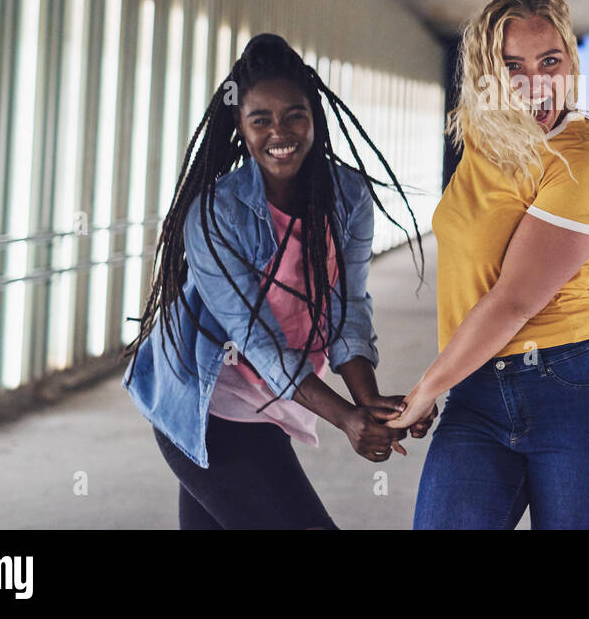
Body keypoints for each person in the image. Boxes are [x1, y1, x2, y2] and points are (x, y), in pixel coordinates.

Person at [123, 33, 435, 529]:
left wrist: (369, 401)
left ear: (314, 116)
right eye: (260, 119)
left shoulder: (347, 195)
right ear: (240, 128)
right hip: (209, 408)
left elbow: (347, 307)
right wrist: (347, 420)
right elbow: (255, 339)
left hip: (271, 408)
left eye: (294, 114)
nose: (280, 132)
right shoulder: (214, 212)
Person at [386, 0, 589, 529]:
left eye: (550, 60)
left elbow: (513, 301)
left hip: (571, 392)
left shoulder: (581, 159)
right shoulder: (485, 136)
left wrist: (426, 389)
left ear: (571, 62)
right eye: (512, 67)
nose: (535, 84)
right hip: (477, 389)